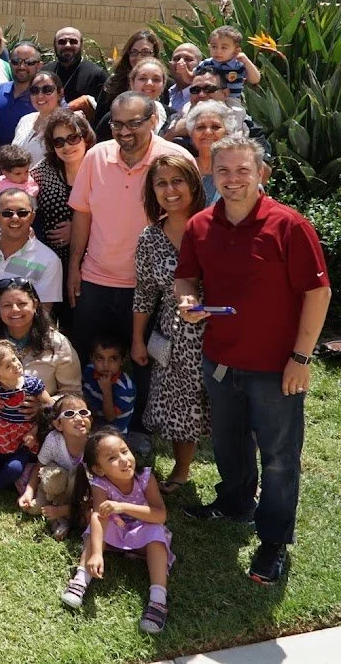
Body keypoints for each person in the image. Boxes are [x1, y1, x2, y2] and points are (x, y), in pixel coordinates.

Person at [175, 135, 331, 584]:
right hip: (220, 360)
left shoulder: (289, 225)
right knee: (228, 442)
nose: (233, 180)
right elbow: (187, 278)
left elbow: (318, 293)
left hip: (276, 368)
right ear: (212, 173)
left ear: (261, 173)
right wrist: (188, 303)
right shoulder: (201, 225)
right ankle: (235, 504)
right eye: (223, 171)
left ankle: (273, 542)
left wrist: (301, 357)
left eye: (243, 170)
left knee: (280, 458)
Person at [67, 91, 196, 390]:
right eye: (117, 124)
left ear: (152, 120)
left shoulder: (174, 160)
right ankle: (84, 416)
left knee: (144, 361)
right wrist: (75, 266)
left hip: (149, 285)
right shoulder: (96, 156)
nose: (124, 132)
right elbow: (82, 214)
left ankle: (139, 428)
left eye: (134, 123)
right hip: (96, 277)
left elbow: (189, 220)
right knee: (84, 354)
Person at [131, 156, 210, 492]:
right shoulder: (150, 237)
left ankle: (243, 479)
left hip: (223, 331)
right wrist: (137, 338)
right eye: (161, 183)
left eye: (177, 180)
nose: (170, 190)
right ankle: (181, 469)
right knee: (181, 405)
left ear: (193, 182)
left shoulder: (215, 226)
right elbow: (145, 293)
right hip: (175, 333)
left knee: (233, 406)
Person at [60, 429, 173, 635]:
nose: (124, 460)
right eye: (112, 457)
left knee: (156, 534)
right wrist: (96, 553)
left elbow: (160, 515)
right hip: (116, 531)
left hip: (143, 531)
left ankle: (158, 600)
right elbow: (98, 516)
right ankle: (80, 580)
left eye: (125, 451)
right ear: (99, 470)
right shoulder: (100, 483)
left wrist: (123, 507)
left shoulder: (146, 477)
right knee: (96, 529)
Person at [0, 278, 80, 408]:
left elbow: (73, 393)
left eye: (22, 303)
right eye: (7, 305)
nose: (15, 310)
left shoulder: (57, 343)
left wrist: (44, 405)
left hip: (46, 423)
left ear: (34, 305)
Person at [30, 109, 94, 326]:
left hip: (91, 263)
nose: (67, 146)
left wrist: (79, 229)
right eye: (59, 142)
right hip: (50, 264)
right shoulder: (41, 172)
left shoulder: (100, 168)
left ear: (85, 137)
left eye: (73, 138)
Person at [0, 339, 53, 503]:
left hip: (23, 440)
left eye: (15, 359)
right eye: (8, 365)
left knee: (14, 469)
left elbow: (50, 406)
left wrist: (34, 431)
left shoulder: (32, 385)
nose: (16, 365)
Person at [19, 393, 91, 541]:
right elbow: (40, 465)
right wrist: (28, 491)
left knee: (77, 474)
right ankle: (60, 515)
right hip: (56, 487)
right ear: (58, 424)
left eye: (83, 413)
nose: (78, 418)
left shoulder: (94, 445)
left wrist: (63, 509)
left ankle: (62, 516)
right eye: (70, 414)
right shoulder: (53, 440)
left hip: (81, 493)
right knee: (33, 508)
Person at [0, 188, 63, 308]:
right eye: (7, 213)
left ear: (32, 217)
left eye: (22, 213)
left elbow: (43, 313)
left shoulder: (49, 261)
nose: (15, 218)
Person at [94, 57, 170, 142]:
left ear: (163, 85)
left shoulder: (172, 116)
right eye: (142, 78)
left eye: (156, 79)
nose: (149, 83)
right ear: (132, 82)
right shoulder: (113, 117)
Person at [95, 30, 162, 123]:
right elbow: (99, 119)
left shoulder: (164, 85)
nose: (139, 57)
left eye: (145, 52)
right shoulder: (113, 84)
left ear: (155, 54)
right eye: (134, 52)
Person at [0, 41, 43, 145]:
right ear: (9, 63)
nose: (22, 66)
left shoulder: (45, 97)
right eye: (16, 61)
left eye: (29, 62)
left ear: (39, 65)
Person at [50, 27, 106, 118]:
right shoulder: (45, 72)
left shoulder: (97, 75)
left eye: (73, 41)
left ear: (81, 45)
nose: (67, 45)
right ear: (55, 45)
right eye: (62, 42)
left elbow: (103, 113)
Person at [11, 69, 65, 162]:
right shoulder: (25, 120)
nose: (40, 96)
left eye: (47, 90)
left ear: (60, 93)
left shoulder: (65, 124)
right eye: (34, 90)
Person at [196, 24, 260, 102]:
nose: (218, 51)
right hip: (209, 100)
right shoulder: (206, 64)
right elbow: (193, 77)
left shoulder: (238, 66)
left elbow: (255, 80)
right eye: (214, 46)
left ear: (236, 50)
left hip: (232, 101)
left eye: (224, 48)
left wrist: (247, 62)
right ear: (209, 47)